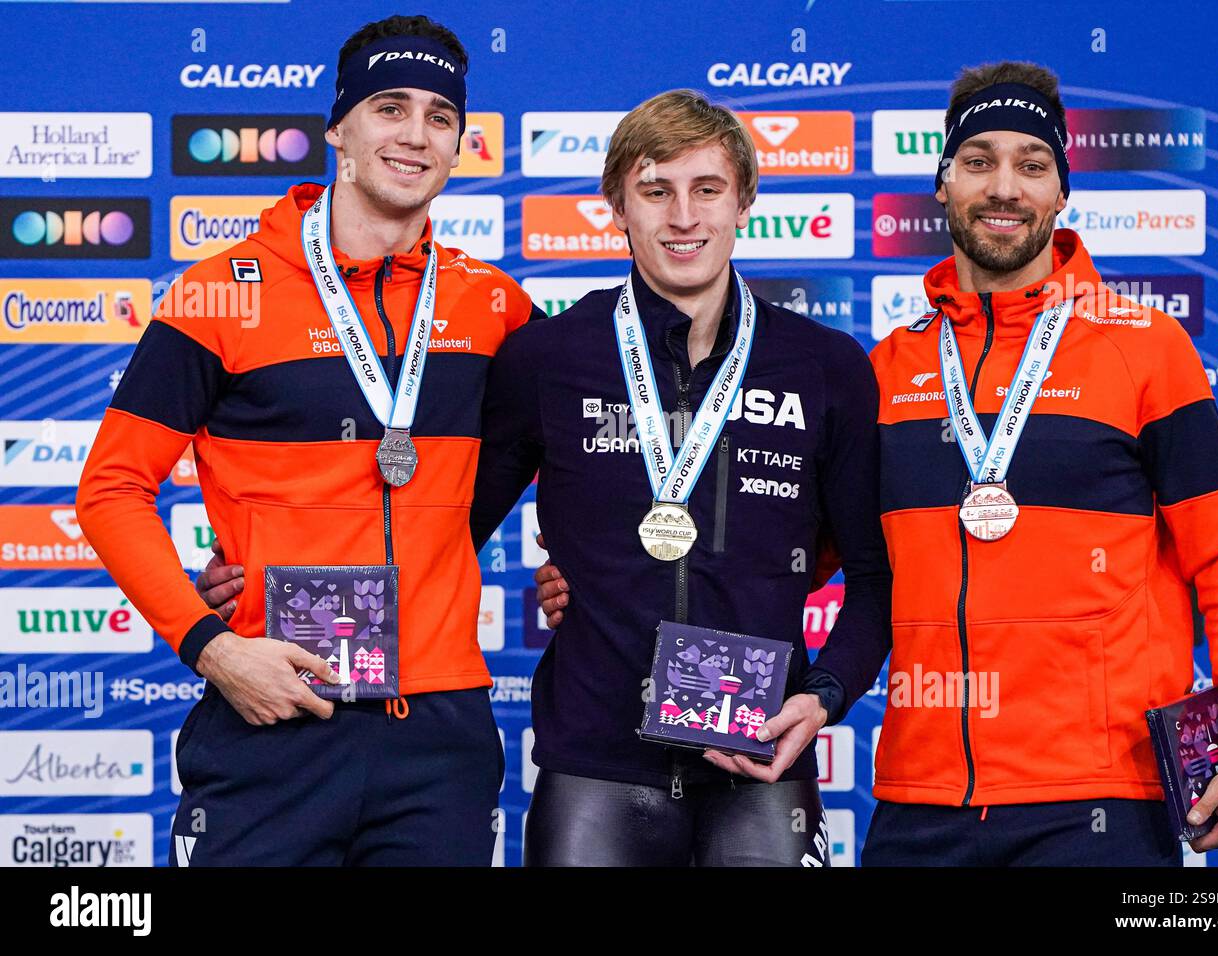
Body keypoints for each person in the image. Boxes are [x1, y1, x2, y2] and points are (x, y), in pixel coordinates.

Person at [200, 89, 893, 866]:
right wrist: (263, 568)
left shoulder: (827, 367)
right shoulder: (550, 357)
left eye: (707, 190)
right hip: (593, 765)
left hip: (761, 758)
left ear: (745, 203)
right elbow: (433, 523)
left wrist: (824, 696)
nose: (683, 217)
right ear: (617, 208)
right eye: (655, 191)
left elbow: (872, 573)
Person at [75, 14, 537, 866]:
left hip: (440, 737)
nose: (415, 133)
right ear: (338, 128)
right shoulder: (221, 294)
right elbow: (110, 490)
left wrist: (589, 564)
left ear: (461, 143)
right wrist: (211, 647)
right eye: (389, 107)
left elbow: (585, 448)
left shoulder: (492, 305)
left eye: (441, 116)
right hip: (273, 716)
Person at [859, 60, 1218, 865]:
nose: (1004, 187)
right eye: (978, 160)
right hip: (921, 800)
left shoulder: (1145, 350)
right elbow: (805, 555)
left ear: (1062, 193)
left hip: (1100, 801)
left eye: (1032, 163)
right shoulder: (886, 372)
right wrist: (606, 576)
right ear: (941, 185)